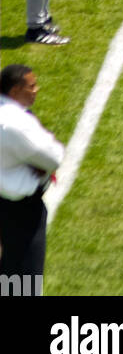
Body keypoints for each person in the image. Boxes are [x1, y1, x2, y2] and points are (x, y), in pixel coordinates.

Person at [0, 65, 64, 289]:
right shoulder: (16, 123)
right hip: (19, 211)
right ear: (16, 91)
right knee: (23, 282)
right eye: (32, 86)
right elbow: (53, 157)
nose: (37, 89)